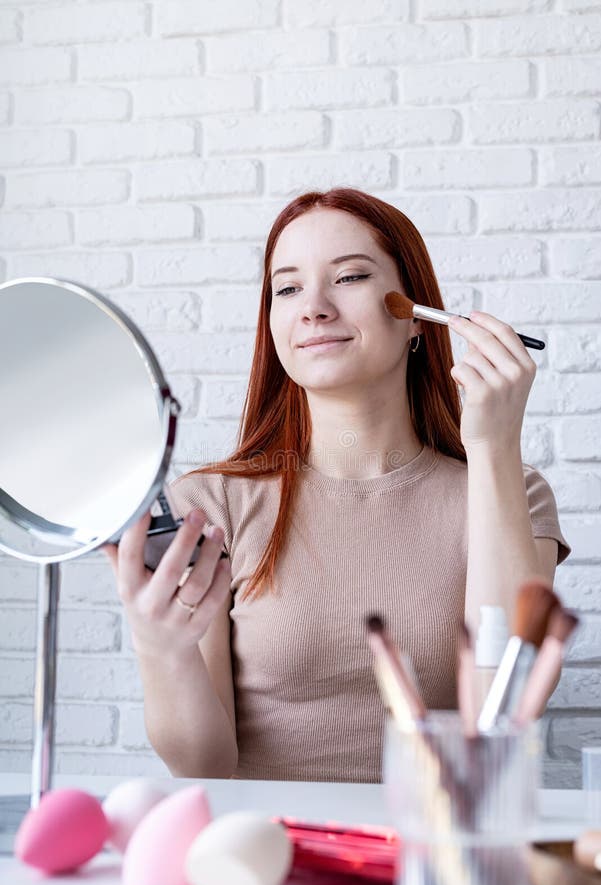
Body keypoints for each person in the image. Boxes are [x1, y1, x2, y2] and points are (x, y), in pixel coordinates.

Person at [103, 188, 570, 783]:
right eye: (288, 287)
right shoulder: (209, 506)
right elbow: (203, 765)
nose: (314, 308)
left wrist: (494, 448)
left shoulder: (512, 492)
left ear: (417, 319)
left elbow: (499, 716)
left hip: (437, 857)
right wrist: (160, 647)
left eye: (349, 277)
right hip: (270, 858)